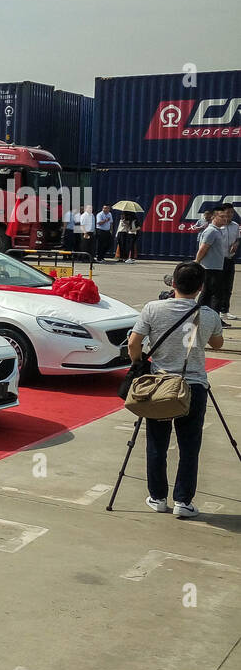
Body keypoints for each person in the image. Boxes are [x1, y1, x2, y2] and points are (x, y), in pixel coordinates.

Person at [128, 261, 225, 519]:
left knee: (157, 443)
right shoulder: (209, 314)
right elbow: (217, 344)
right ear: (201, 287)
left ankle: (157, 496)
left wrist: (138, 365)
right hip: (194, 386)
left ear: (173, 283)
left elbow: (133, 343)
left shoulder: (153, 308)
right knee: (189, 446)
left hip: (160, 386)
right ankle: (183, 500)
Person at [195, 204, 230, 328]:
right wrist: (197, 262)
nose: (225, 219)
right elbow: (203, 248)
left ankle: (197, 316)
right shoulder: (211, 231)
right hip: (210, 268)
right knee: (215, 295)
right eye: (222, 216)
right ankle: (213, 321)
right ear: (214, 217)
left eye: (226, 217)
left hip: (215, 268)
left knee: (207, 294)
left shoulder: (217, 231)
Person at [217, 202, 238, 320]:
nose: (230, 215)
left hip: (230, 259)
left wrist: (236, 244)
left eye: (231, 212)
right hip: (219, 260)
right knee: (217, 286)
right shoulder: (219, 226)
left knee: (228, 286)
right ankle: (216, 310)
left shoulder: (235, 226)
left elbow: (238, 239)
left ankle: (225, 311)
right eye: (227, 212)